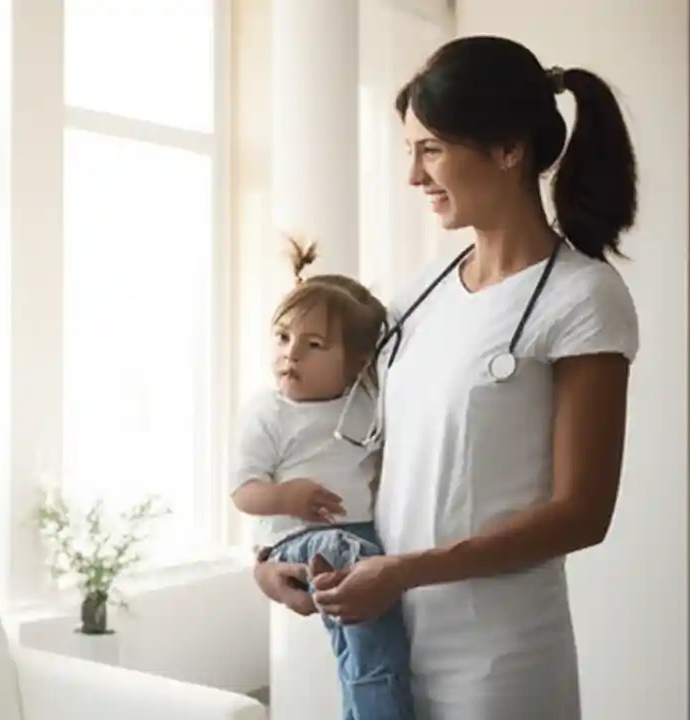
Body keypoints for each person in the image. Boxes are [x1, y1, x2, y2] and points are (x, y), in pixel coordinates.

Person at [261, 35, 639, 720]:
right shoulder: (418, 296)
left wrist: (404, 571)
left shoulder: (583, 299)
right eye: (410, 150)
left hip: (500, 665)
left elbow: (583, 514)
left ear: (507, 149)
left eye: (430, 148)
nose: (414, 175)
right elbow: (354, 451)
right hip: (386, 642)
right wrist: (278, 552)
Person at [231, 237, 414, 719]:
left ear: (357, 365)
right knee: (356, 580)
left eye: (313, 346)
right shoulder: (269, 412)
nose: (292, 354)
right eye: (284, 338)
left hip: (359, 536)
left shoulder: (364, 404)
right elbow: (243, 492)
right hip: (299, 541)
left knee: (365, 645)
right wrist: (286, 496)